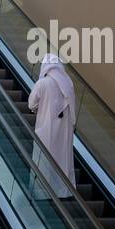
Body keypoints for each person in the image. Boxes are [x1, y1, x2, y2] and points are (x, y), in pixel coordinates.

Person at [27, 52, 76, 197]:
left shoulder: (42, 83)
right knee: (62, 160)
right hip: (64, 132)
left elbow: (31, 103)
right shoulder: (68, 84)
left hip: (45, 128)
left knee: (44, 160)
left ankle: (41, 192)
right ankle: (63, 191)